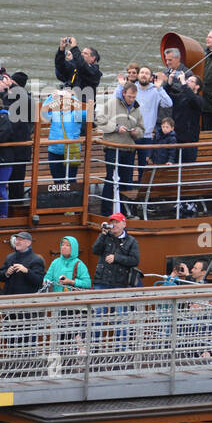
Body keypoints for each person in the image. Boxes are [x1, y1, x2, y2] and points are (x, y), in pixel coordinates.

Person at [97, 83, 144, 217]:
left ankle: (125, 212)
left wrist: (137, 133)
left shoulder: (137, 108)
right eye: (129, 96)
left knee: (127, 180)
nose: (131, 99)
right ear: (123, 93)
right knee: (110, 179)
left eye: (134, 97)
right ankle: (106, 211)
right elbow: (99, 119)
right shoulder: (112, 103)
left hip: (129, 149)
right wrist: (116, 127)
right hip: (112, 147)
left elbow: (142, 129)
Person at [42, 87, 86, 181]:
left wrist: (72, 98)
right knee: (57, 180)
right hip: (54, 150)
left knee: (71, 180)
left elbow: (86, 114)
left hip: (72, 150)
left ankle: (72, 196)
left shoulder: (76, 113)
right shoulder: (55, 111)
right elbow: (43, 114)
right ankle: (59, 196)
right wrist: (51, 98)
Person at [91, 213, 140, 289]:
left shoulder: (131, 241)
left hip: (120, 282)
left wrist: (116, 258)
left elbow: (135, 261)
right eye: (112, 222)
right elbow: (95, 250)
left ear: (124, 224)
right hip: (102, 280)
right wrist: (103, 234)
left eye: (117, 222)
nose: (114, 225)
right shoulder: (105, 236)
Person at [0, 231, 46, 295]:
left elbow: (39, 281)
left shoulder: (36, 260)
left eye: (20, 240)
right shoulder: (9, 257)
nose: (17, 242)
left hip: (26, 299)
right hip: (9, 297)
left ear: (28, 243)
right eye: (16, 240)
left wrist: (26, 271)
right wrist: (6, 273)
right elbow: (0, 277)